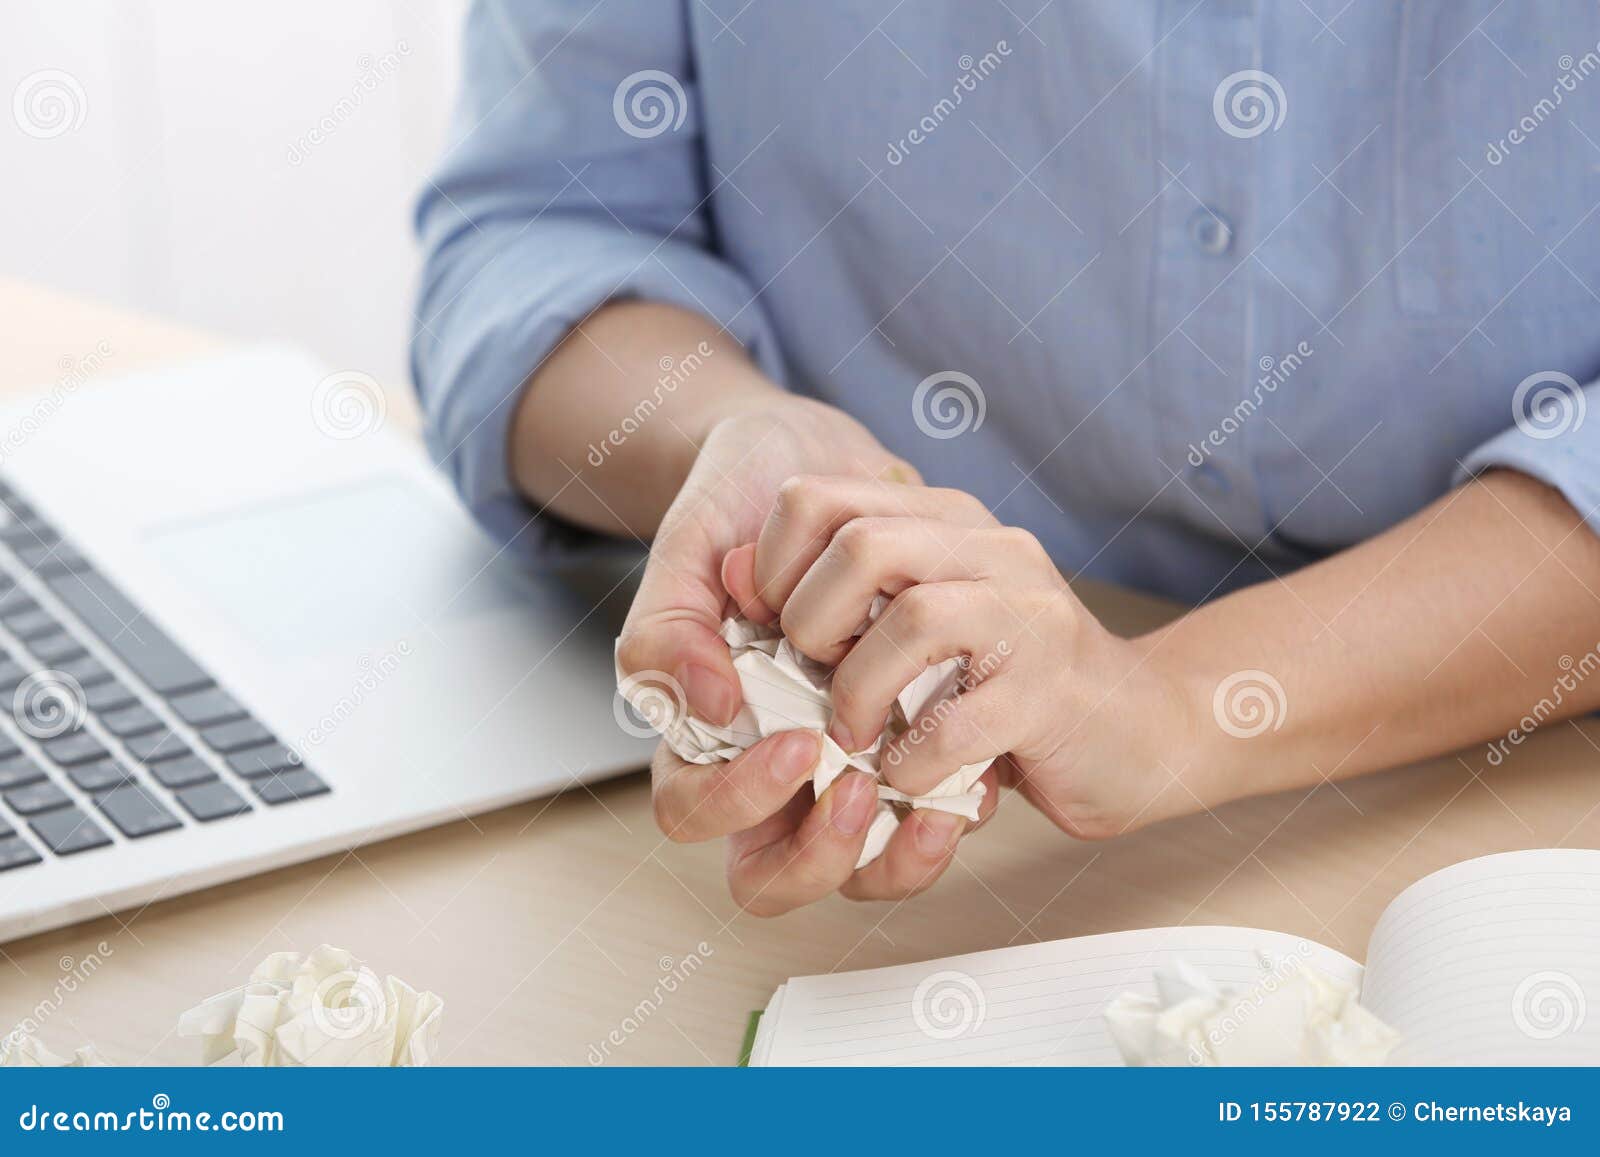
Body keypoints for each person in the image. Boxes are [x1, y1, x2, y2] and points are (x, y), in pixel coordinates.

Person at [413, 2, 1600, 915]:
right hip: (927, 794)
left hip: (1515, 792)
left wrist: (1174, 702)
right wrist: (740, 448)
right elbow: (537, 228)